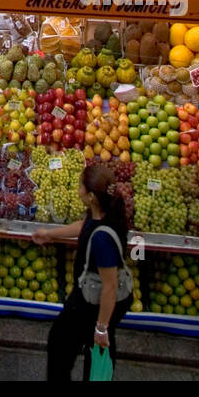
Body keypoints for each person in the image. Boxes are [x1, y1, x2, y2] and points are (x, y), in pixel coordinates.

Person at [34, 162, 133, 381]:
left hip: (91, 303)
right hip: (91, 300)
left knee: (62, 344)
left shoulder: (102, 239)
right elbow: (82, 226)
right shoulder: (105, 213)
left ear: (91, 197)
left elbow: (109, 287)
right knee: (95, 350)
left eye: (81, 186)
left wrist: (101, 327)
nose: (77, 190)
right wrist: (51, 235)